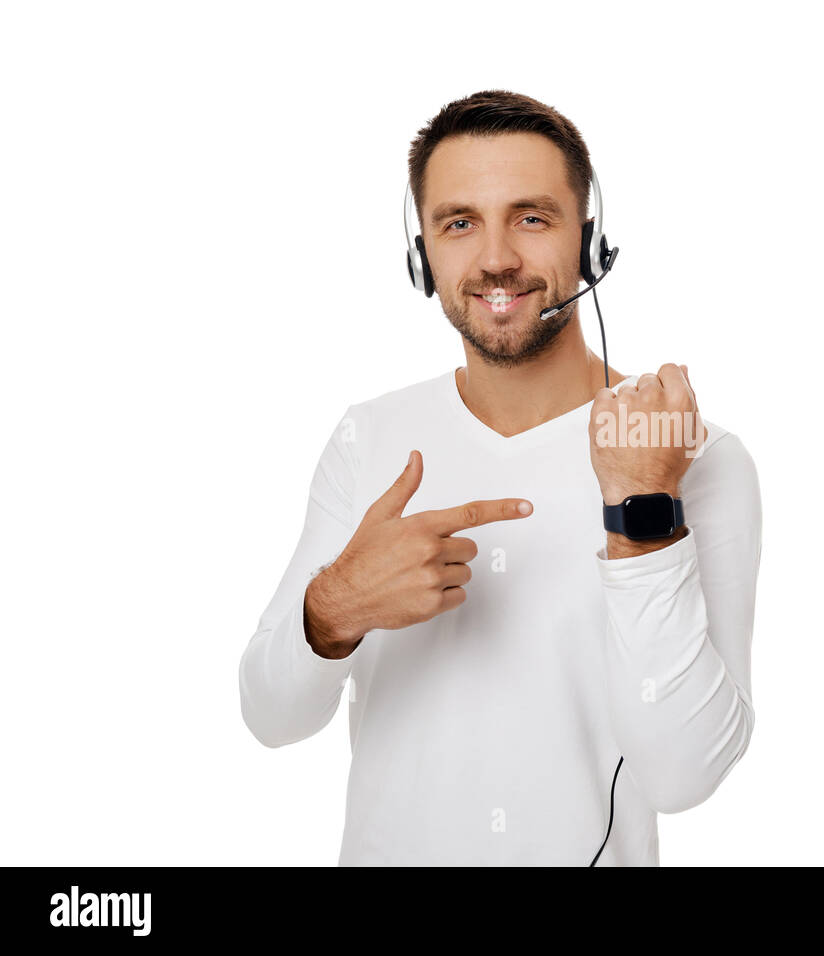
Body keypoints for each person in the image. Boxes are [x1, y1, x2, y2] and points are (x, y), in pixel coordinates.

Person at [238, 89, 762, 866]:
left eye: (531, 217)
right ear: (422, 254)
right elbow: (268, 714)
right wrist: (337, 606)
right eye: (459, 223)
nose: (494, 259)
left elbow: (684, 773)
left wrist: (642, 506)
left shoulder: (690, 453)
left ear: (589, 243)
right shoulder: (369, 437)